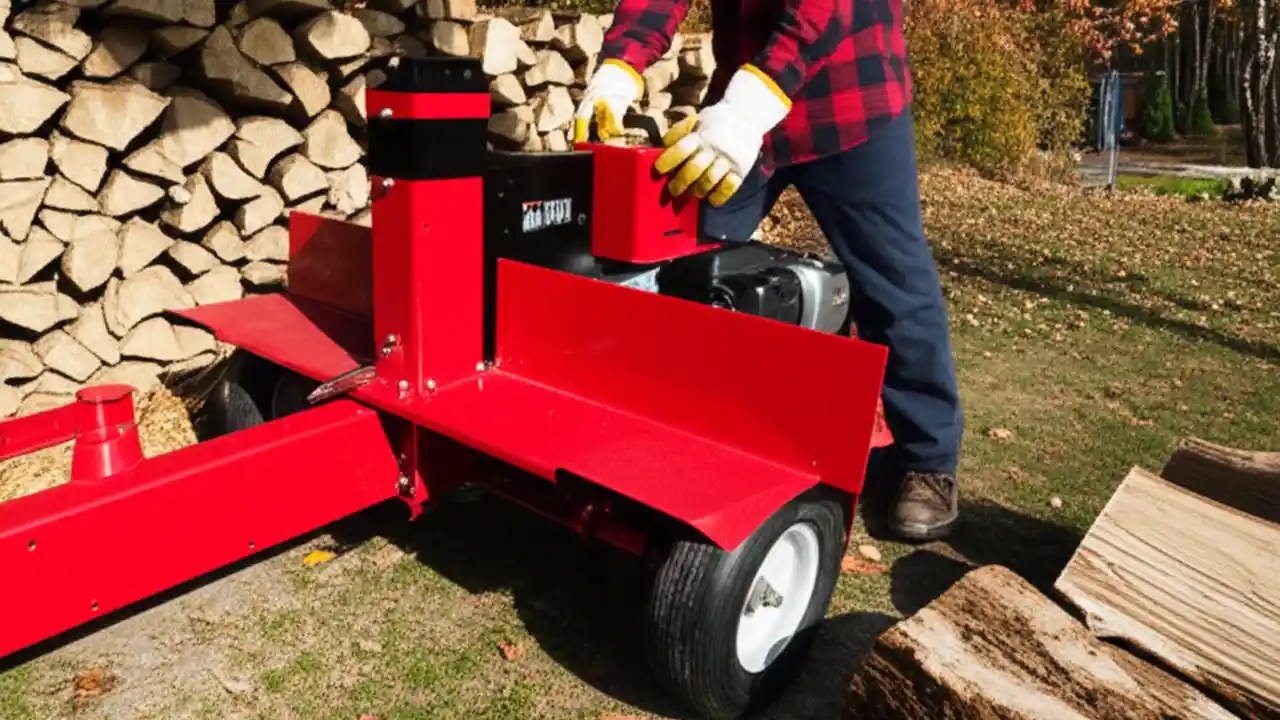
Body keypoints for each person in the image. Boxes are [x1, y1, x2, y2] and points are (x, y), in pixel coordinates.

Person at [572, 0, 965, 540]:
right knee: (672, 257)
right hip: (745, 101)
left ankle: (927, 461)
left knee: (894, 285)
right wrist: (620, 66)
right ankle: (660, 427)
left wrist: (746, 111)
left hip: (848, 99)